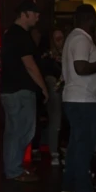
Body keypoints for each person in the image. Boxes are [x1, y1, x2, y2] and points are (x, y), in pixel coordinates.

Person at [61, 3, 96, 192]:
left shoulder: (73, 38)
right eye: (95, 19)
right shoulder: (81, 39)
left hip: (75, 98)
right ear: (89, 19)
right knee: (85, 144)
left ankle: (69, 185)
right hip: (83, 99)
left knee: (76, 144)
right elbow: (81, 68)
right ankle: (83, 189)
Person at [0, 0, 44, 181]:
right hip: (20, 90)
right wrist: (43, 87)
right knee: (22, 130)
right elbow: (30, 65)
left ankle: (13, 167)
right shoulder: (21, 35)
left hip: (10, 88)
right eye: (35, 13)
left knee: (15, 130)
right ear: (25, 14)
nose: (38, 17)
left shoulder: (10, 33)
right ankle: (14, 169)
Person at [39, 27, 65, 166]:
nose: (60, 41)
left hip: (68, 91)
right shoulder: (47, 57)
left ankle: (62, 149)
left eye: (61, 38)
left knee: (65, 120)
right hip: (55, 89)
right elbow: (47, 75)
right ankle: (54, 152)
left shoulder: (69, 54)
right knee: (56, 119)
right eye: (57, 38)